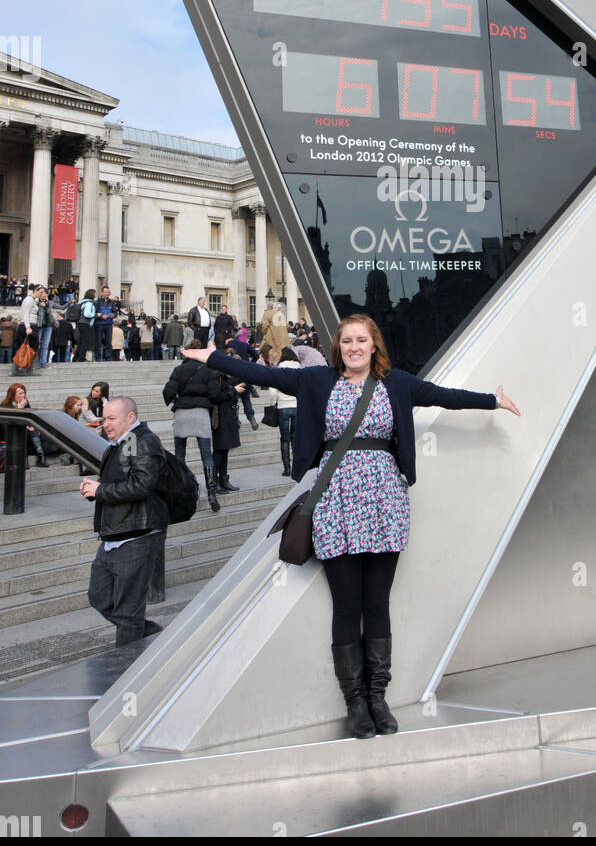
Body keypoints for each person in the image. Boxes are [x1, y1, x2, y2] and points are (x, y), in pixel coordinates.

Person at [183, 313, 520, 739]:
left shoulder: (397, 383)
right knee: (347, 604)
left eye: (362, 340)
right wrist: (214, 358)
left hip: (385, 501)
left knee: (377, 603)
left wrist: (492, 400)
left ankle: (378, 696)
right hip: (335, 499)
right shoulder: (315, 381)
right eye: (347, 341)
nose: (354, 347)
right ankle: (355, 703)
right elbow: (261, 373)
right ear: (338, 347)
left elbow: (441, 395)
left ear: (374, 345)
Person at [80, 395, 168, 647]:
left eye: (111, 418)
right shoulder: (125, 441)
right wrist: (95, 489)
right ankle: (154, 636)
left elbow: (142, 484)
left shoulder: (142, 440)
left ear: (130, 418)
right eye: (104, 418)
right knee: (99, 597)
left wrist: (101, 491)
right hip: (115, 533)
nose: (104, 423)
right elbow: (125, 476)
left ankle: (125, 671)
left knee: (128, 612)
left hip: (136, 534)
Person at [163, 343, 223, 511]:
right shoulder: (207, 370)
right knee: (206, 455)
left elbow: (168, 391)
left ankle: (181, 489)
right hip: (201, 412)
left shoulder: (178, 370)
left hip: (182, 412)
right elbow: (215, 393)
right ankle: (212, 492)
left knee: (180, 454)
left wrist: (176, 398)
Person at [211, 350, 245, 493]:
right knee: (219, 450)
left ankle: (224, 478)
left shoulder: (225, 376)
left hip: (228, 416)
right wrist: (234, 390)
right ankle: (214, 481)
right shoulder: (215, 376)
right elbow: (215, 396)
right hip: (220, 418)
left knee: (225, 450)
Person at [269, 346, 301, 476]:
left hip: (283, 405)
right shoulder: (299, 367)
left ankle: (287, 467)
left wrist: (273, 402)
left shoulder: (280, 368)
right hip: (297, 405)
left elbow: (273, 388)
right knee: (295, 437)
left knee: (285, 438)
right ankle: (296, 466)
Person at [0, 382, 48, 466]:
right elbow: (7, 424)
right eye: (20, 393)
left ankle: (41, 456)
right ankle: (23, 458)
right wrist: (19, 410)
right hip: (10, 433)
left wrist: (30, 426)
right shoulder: (5, 405)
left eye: (24, 393)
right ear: (12, 395)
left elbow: (29, 418)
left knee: (33, 431)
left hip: (25, 430)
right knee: (23, 431)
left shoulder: (25, 403)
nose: (23, 395)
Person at [74, 289, 97, 363]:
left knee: (81, 341)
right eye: (95, 293)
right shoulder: (89, 303)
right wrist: (95, 315)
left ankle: (76, 357)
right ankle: (81, 357)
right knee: (85, 341)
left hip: (80, 323)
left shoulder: (83, 302)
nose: (96, 295)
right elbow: (87, 314)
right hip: (85, 323)